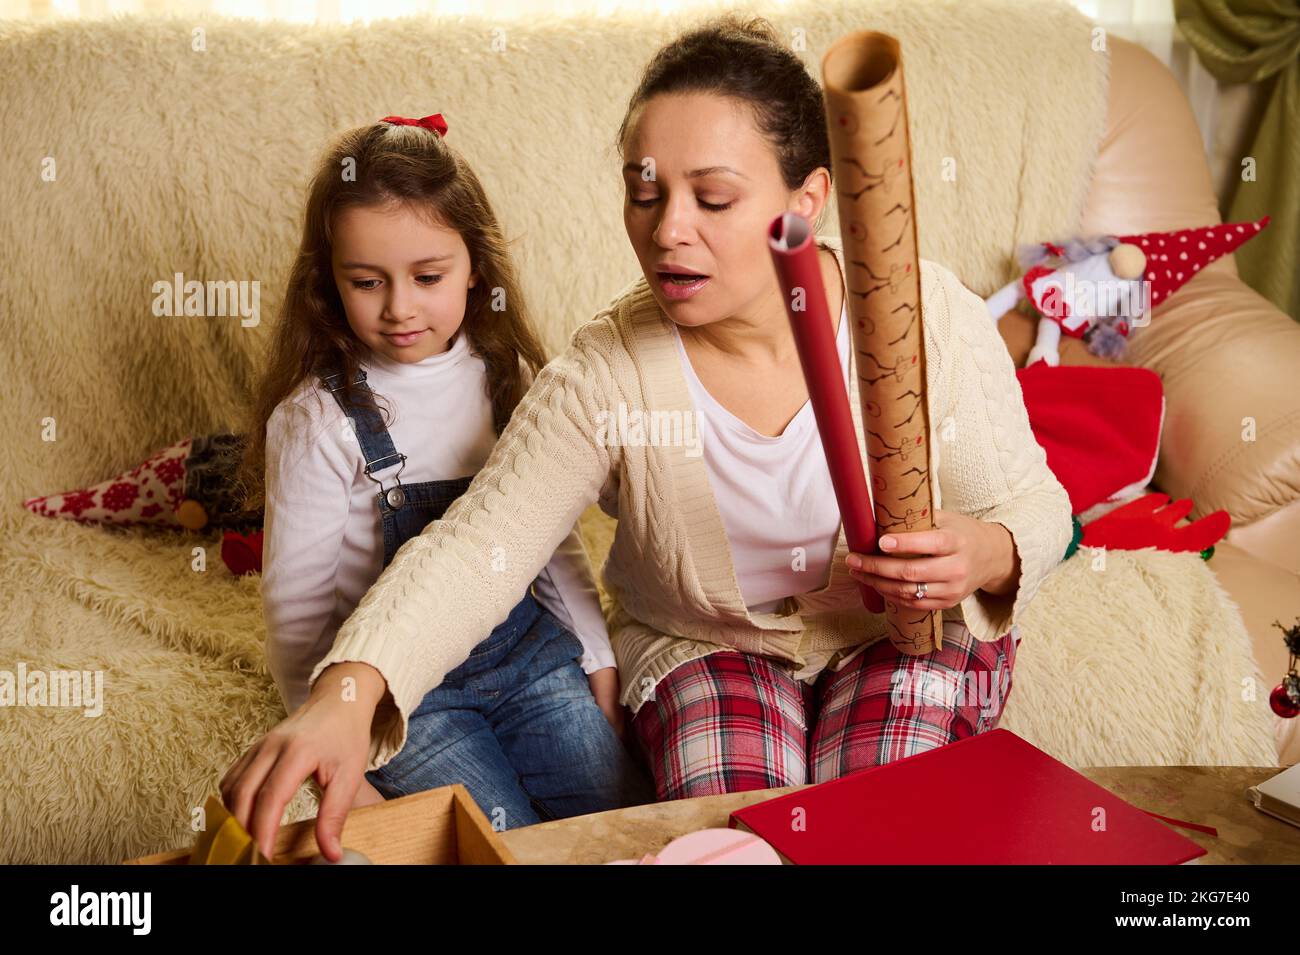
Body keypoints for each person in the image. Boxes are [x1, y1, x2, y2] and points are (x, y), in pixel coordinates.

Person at [224, 18, 1072, 862]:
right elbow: (477, 547)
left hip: (903, 639)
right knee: (734, 844)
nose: (668, 229)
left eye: (713, 198)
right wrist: (349, 688)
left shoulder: (927, 317)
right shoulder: (605, 373)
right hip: (712, 651)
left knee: (874, 833)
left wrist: (985, 551)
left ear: (804, 205)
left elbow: (1038, 508)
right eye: (644, 191)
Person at [225, 112, 651, 832]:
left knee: (619, 814)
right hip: (407, 694)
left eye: (428, 276)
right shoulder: (317, 419)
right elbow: (297, 615)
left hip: (530, 660)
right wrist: (335, 739)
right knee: (495, 834)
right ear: (328, 280)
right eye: (366, 281)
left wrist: (598, 660)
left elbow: (548, 536)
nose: (399, 308)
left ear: (474, 265)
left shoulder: (506, 377)